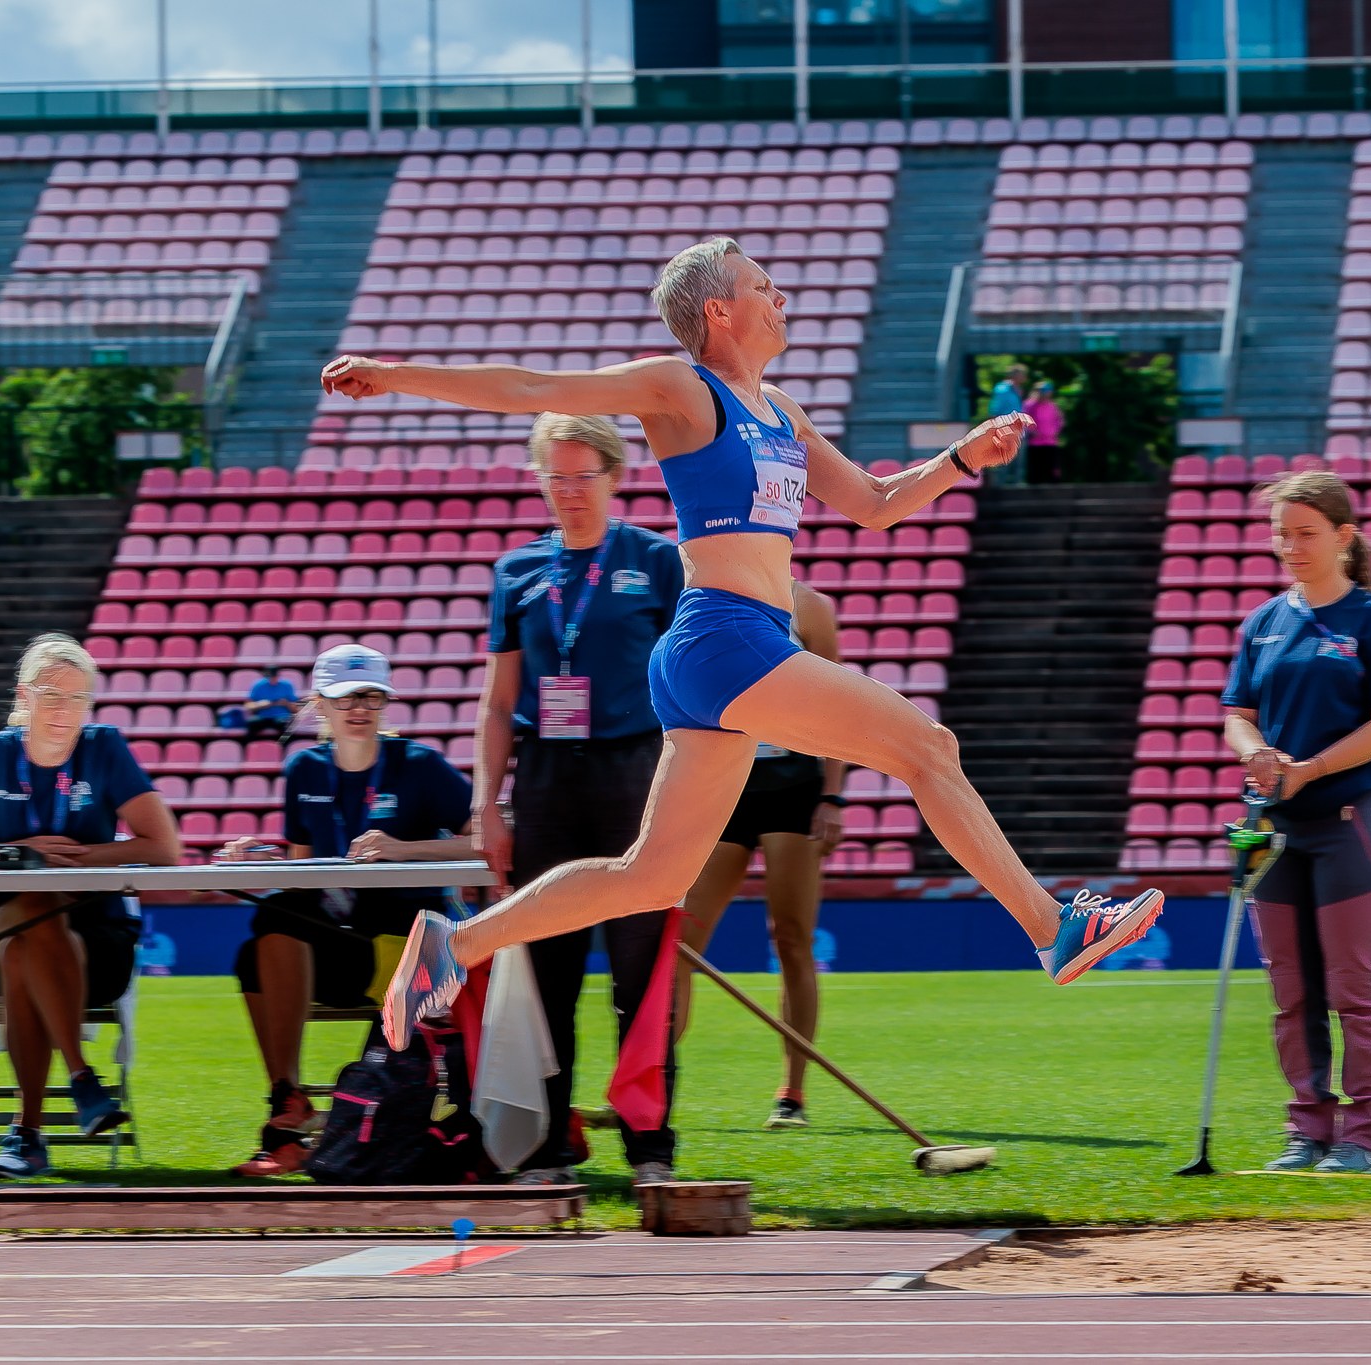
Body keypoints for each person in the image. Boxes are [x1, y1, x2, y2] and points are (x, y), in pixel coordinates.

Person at [320, 236, 1164, 1058]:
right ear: (719, 309)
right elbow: (535, 384)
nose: (781, 297)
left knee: (650, 879)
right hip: (722, 638)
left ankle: (456, 944)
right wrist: (397, 377)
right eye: (764, 286)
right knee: (926, 744)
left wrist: (958, 458)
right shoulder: (682, 387)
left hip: (729, 648)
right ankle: (1055, 928)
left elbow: (874, 502)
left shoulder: (781, 409)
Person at [478, 411, 685, 1185]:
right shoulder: (516, 571)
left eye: (582, 475)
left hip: (637, 778)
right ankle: (549, 1147)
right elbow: (498, 703)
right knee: (547, 970)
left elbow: (691, 681)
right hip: (547, 780)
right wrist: (485, 805)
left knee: (641, 977)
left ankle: (651, 1149)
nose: (568, 491)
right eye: (554, 476)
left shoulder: (658, 561)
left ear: (614, 475)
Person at [1220, 471, 1371, 1176]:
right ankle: (1308, 1130)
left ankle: (1366, 1135)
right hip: (1276, 831)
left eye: (1304, 533)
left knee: (1350, 987)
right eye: (1282, 533)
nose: (1290, 546)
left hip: (1349, 825)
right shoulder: (1264, 622)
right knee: (1290, 989)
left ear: (1343, 537)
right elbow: (1237, 715)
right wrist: (1258, 755)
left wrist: (1312, 767)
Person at [216, 643, 473, 1177]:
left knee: (269, 937)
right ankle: (288, 1102)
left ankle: (315, 1132)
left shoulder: (421, 766)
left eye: (372, 697)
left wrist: (405, 850)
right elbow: (305, 867)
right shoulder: (303, 770)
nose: (360, 708)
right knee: (266, 935)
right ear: (319, 705)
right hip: (345, 941)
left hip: (413, 947)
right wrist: (259, 854)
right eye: (345, 698)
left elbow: (489, 842)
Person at [0, 633, 182, 1180]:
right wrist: (9, 855)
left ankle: (27, 1134)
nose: (62, 710)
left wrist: (82, 860)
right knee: (30, 905)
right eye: (50, 694)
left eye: (76, 698)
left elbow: (164, 847)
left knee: (30, 949)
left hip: (98, 940)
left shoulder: (105, 747)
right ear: (24, 695)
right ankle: (79, 1078)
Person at [675, 579, 846, 1130]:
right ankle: (652, 1080)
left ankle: (792, 1094)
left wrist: (832, 796)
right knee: (680, 942)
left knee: (792, 939)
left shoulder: (812, 608)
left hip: (793, 788)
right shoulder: (704, 597)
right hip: (727, 784)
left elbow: (837, 706)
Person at [987, 362, 1030, 485]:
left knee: (1019, 459)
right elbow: (995, 409)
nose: (1024, 377)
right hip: (1005, 428)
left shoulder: (1018, 390)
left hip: (1019, 428)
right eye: (1022, 374)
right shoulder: (1002, 389)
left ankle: (1017, 483)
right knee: (1004, 457)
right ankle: (999, 485)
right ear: (1015, 375)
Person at [1022, 379, 1064, 484]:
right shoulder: (1029, 405)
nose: (1045, 395)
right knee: (1036, 469)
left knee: (1053, 468)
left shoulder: (1052, 406)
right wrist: (1032, 431)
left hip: (1050, 442)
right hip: (1035, 443)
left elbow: (1059, 420)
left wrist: (1056, 431)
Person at [241, 666, 299, 741]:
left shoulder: (287, 685)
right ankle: (253, 748)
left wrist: (286, 703)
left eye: (274, 677)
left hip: (281, 717)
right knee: (251, 723)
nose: (272, 679)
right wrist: (260, 705)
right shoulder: (258, 685)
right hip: (263, 716)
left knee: (287, 727)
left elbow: (295, 709)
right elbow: (248, 706)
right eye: (270, 677)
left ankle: (285, 749)